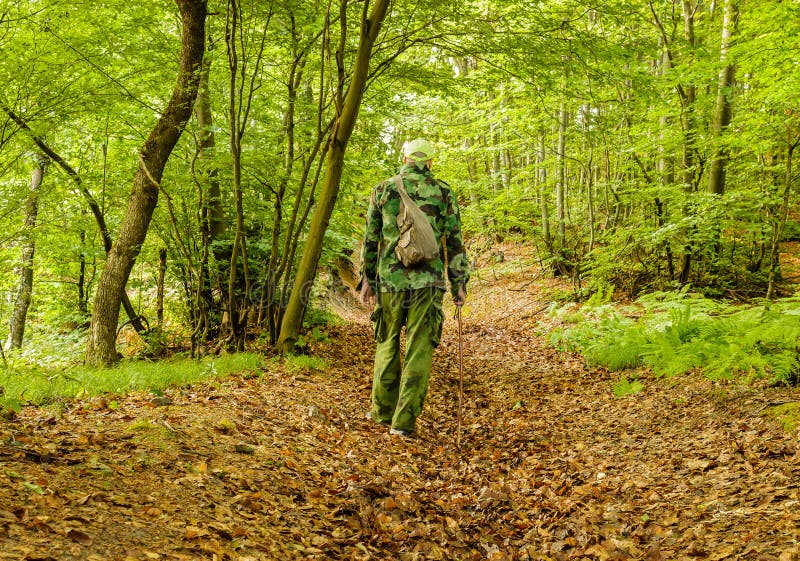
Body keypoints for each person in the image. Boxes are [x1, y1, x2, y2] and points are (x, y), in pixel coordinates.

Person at [359, 138, 470, 437]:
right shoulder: (444, 192)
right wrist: (459, 281)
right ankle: (404, 422)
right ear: (431, 162)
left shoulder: (383, 189)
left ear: (405, 159)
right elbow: (455, 240)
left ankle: (382, 412)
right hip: (429, 282)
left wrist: (367, 278)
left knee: (387, 342)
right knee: (420, 348)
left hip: (391, 281)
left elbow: (371, 239)